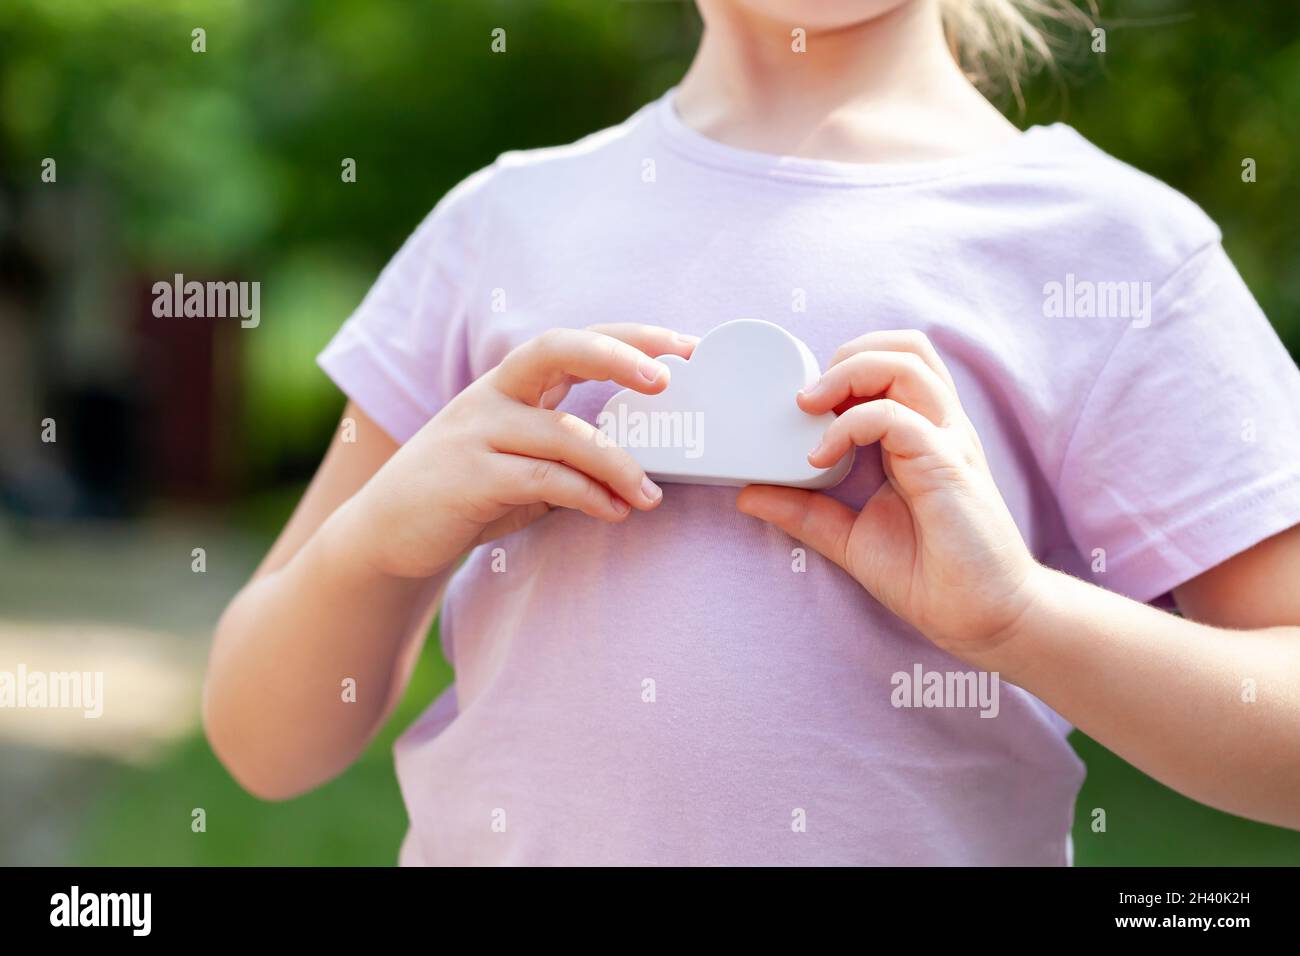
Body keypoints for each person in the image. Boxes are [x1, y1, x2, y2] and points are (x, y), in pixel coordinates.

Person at [203, 0, 1300, 864]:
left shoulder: (1114, 254)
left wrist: (1018, 620)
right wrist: (382, 537)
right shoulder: (497, 226)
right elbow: (263, 740)